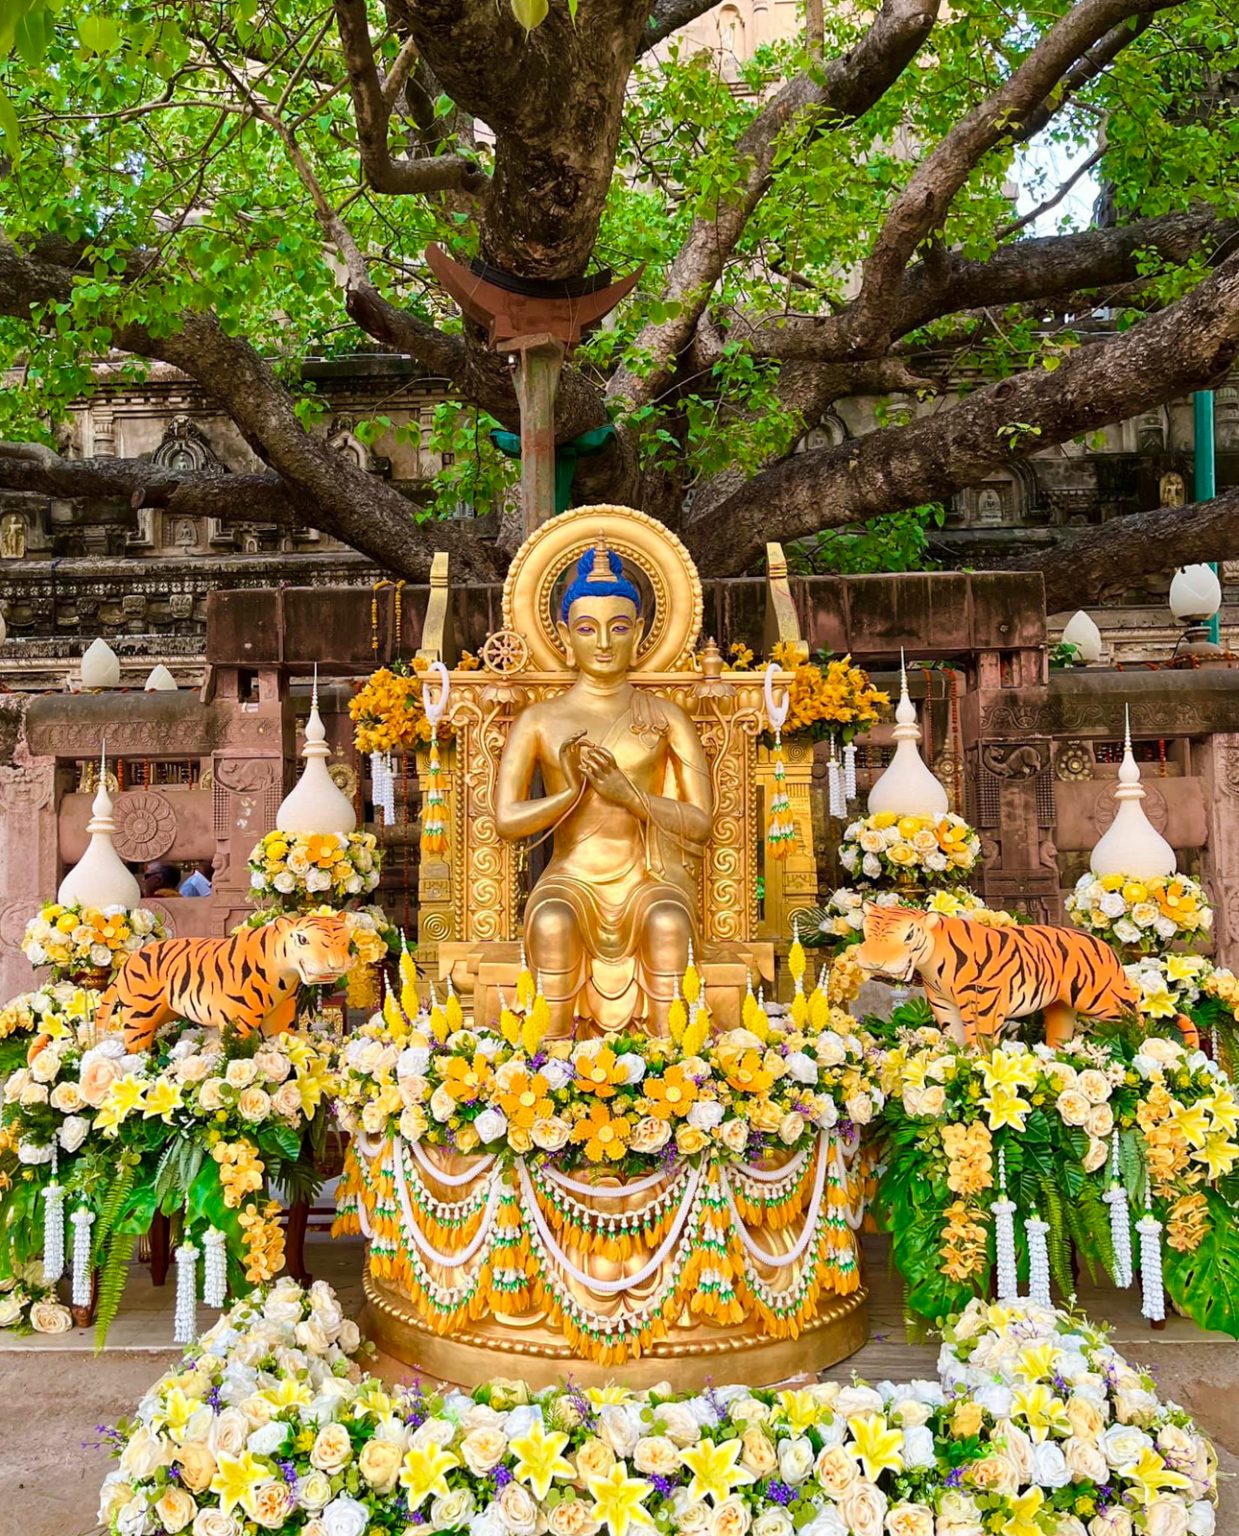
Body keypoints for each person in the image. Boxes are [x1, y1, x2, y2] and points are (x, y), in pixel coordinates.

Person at [494, 542, 712, 1036]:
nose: (605, 643)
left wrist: (627, 795)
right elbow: (506, 821)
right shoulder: (539, 720)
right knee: (552, 922)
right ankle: (547, 1068)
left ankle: (676, 1066)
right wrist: (570, 794)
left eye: (619, 627)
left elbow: (700, 823)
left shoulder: (666, 717)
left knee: (668, 924)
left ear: (639, 634)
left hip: (647, 879)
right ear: (566, 638)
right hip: (571, 877)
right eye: (588, 629)